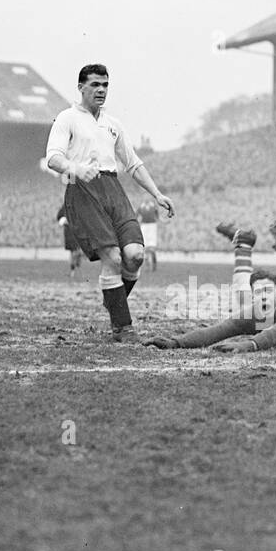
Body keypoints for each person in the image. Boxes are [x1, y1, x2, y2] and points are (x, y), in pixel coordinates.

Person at [44, 64, 175, 342]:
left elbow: (134, 164)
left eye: (105, 84)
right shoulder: (67, 118)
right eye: (94, 84)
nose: (101, 90)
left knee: (135, 255)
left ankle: (113, 300)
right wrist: (77, 169)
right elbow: (53, 157)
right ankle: (122, 328)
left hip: (113, 188)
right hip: (82, 190)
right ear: (81, 87)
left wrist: (157, 194)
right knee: (113, 258)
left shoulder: (113, 125)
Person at [143, 218, 276, 353]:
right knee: (244, 303)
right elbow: (218, 330)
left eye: (268, 291)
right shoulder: (256, 308)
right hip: (274, 315)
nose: (262, 295)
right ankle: (244, 246)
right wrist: (176, 343)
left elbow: (274, 335)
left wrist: (249, 345)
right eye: (258, 292)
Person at [56, 204, 82, 278]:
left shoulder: (81, 204)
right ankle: (73, 271)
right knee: (73, 251)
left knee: (77, 251)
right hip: (70, 232)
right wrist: (64, 221)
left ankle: (74, 270)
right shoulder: (66, 205)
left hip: (80, 231)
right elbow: (59, 216)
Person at [136, 197, 160, 272]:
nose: (146, 198)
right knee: (145, 247)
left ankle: (154, 264)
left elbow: (158, 217)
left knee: (152, 247)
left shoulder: (154, 206)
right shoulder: (141, 207)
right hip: (144, 226)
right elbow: (136, 217)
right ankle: (147, 265)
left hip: (152, 226)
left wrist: (165, 221)